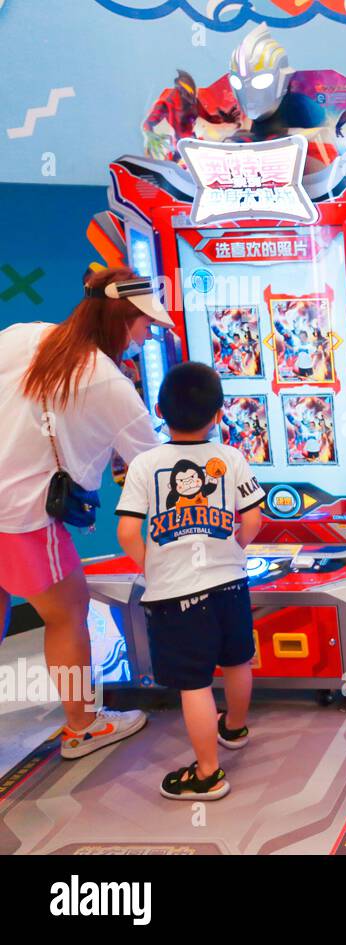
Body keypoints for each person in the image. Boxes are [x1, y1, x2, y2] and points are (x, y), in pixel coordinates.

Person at [0, 267, 172, 758]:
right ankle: (82, 725)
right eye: (145, 327)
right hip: (23, 518)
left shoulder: (24, 336)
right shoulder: (107, 381)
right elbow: (154, 461)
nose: (145, 337)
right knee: (68, 612)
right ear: (124, 319)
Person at [116, 362, 265, 800]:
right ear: (218, 414)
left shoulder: (145, 464)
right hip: (231, 585)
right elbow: (254, 518)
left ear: (159, 409)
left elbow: (127, 532)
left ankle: (207, 773)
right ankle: (234, 729)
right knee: (238, 659)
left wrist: (153, 567)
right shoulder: (230, 457)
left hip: (176, 595)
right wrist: (234, 549)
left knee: (194, 684)